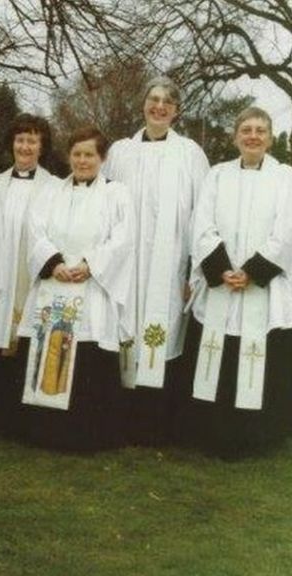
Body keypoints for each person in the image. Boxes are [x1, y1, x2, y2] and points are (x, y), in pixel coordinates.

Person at [177, 106, 292, 459]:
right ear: (235, 136)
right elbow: (201, 224)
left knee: (258, 358)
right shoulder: (217, 175)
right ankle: (210, 432)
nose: (253, 136)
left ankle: (257, 437)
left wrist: (253, 271)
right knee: (217, 353)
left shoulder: (285, 177)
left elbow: (286, 231)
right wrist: (221, 268)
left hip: (263, 287)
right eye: (246, 130)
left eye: (260, 130)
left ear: (270, 138)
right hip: (222, 286)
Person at [103, 77, 210, 445]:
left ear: (176, 111)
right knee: (125, 332)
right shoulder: (120, 152)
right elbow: (104, 206)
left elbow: (203, 216)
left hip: (169, 267)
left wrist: (194, 272)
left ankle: (156, 425)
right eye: (154, 98)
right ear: (143, 104)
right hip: (126, 268)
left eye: (167, 101)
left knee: (161, 339)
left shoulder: (190, 154)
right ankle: (120, 420)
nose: (159, 106)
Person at [14, 126, 135, 452]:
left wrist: (90, 264)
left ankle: (86, 434)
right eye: (77, 154)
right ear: (69, 156)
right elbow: (35, 231)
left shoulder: (117, 194)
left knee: (87, 356)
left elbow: (123, 239)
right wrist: (54, 263)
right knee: (49, 347)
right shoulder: (51, 191)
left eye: (89, 155)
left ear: (102, 158)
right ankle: (44, 431)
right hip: (54, 285)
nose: (82, 161)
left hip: (91, 287)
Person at [0, 113, 61, 435]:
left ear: (42, 147)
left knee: (25, 338)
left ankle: (21, 415)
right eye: (20, 140)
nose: (25, 146)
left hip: (31, 277)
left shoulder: (55, 188)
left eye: (32, 140)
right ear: (11, 144)